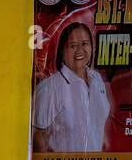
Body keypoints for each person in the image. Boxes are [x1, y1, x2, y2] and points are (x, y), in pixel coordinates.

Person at [32, 21, 112, 153]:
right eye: (73, 46)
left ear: (92, 47)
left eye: (85, 43)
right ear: (62, 51)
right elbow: (36, 137)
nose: (80, 50)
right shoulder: (50, 88)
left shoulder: (96, 79)